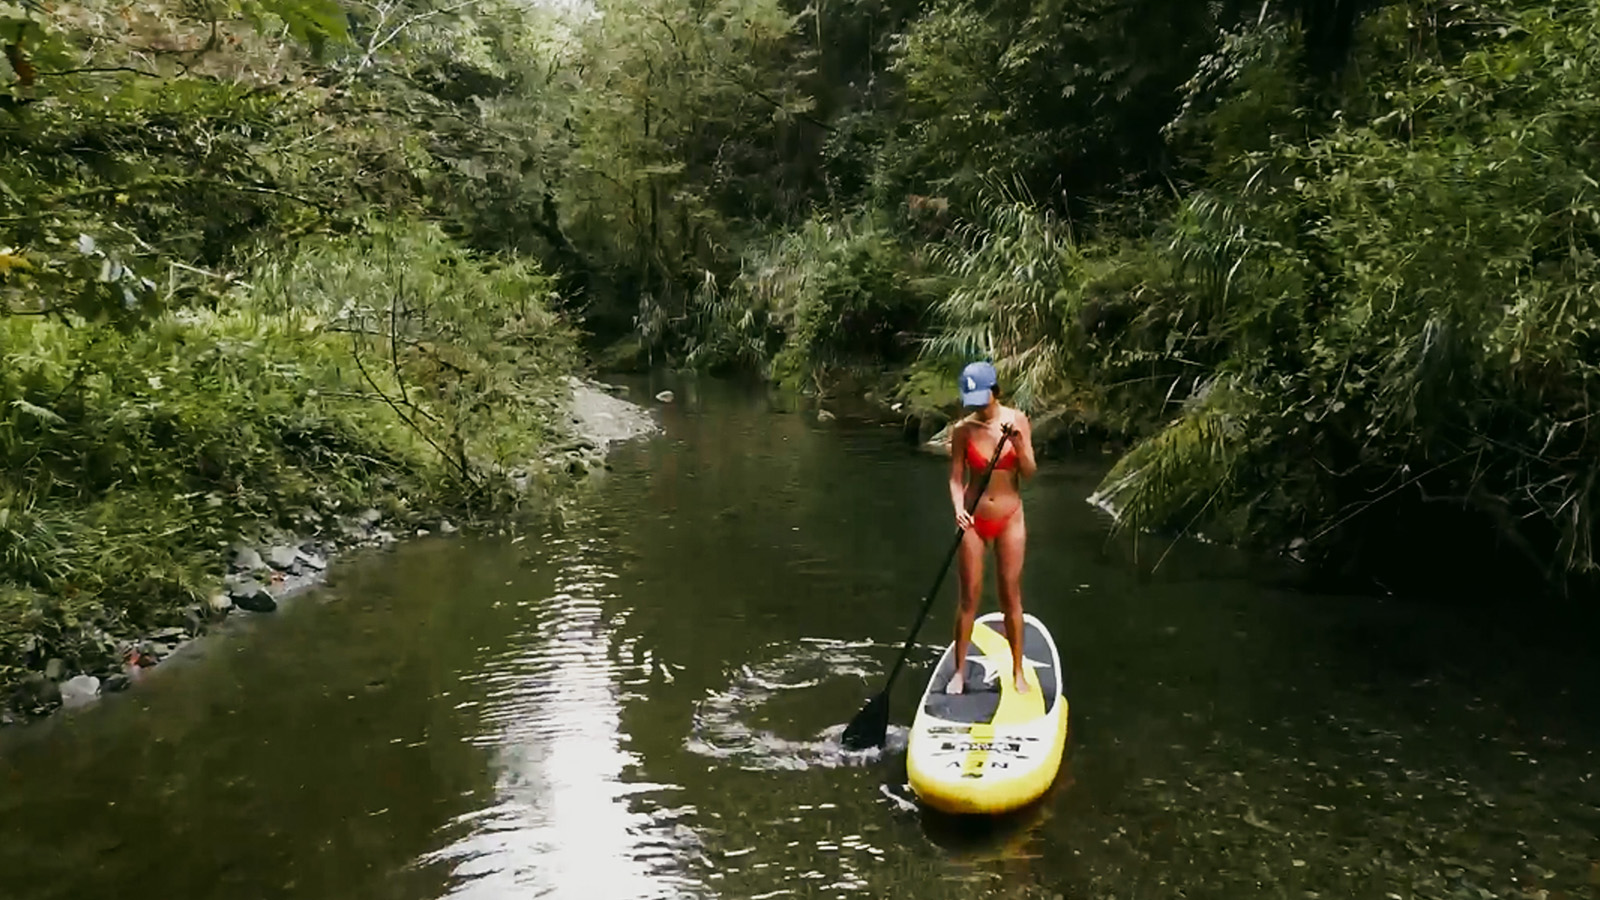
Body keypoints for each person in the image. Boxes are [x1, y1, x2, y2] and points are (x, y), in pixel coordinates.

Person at [945, 361, 1037, 695]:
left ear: (996, 392)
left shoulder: (1018, 420)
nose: (979, 409)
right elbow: (956, 480)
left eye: (983, 401)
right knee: (969, 596)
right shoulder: (962, 431)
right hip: (973, 519)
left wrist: (1018, 443)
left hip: (1010, 516)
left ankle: (1017, 672)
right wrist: (958, 509)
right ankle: (958, 671)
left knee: (1010, 595)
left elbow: (1029, 472)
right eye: (973, 402)